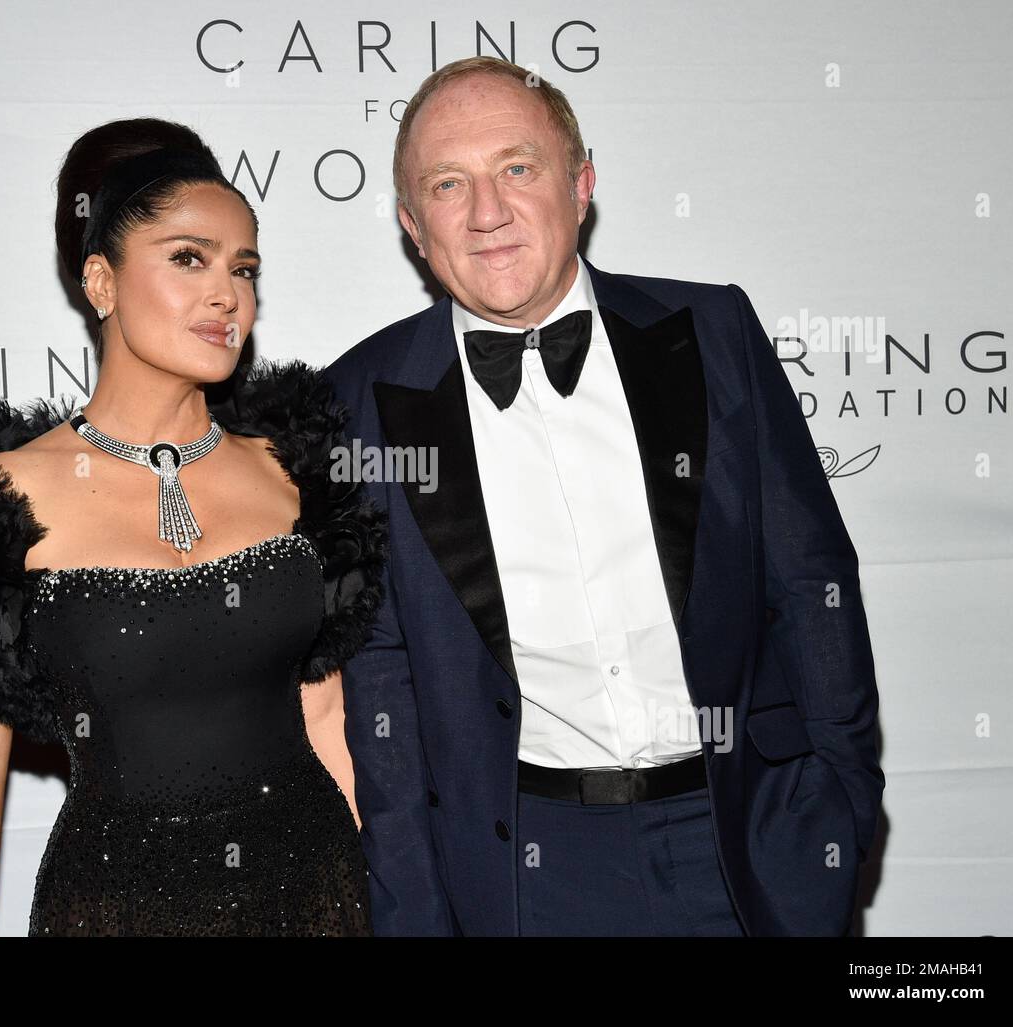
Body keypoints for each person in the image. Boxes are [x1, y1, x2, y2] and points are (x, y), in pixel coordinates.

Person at [325, 57, 885, 937]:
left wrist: (843, 804)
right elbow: (380, 694)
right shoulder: (358, 400)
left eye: (519, 167)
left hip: (746, 838)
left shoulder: (713, 333)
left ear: (581, 183)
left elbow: (812, 581)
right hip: (526, 872)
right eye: (447, 183)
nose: (487, 212)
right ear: (411, 224)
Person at [0, 118, 386, 937]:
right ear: (101, 280)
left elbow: (325, 717)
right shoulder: (7, 492)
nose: (226, 294)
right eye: (188, 258)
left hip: (311, 895)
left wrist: (380, 902)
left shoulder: (291, 469)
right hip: (113, 906)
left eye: (245, 268)